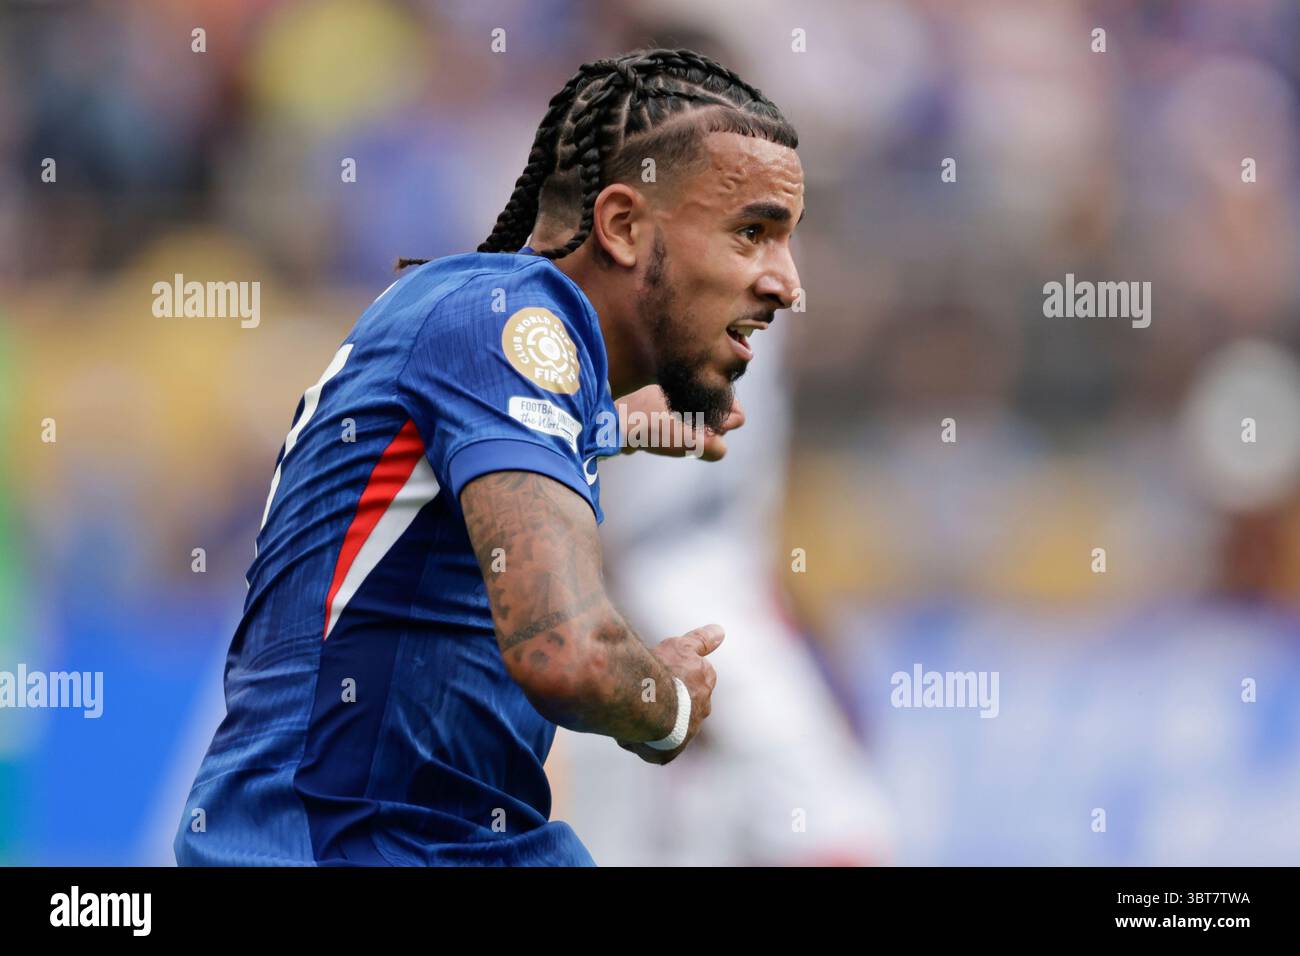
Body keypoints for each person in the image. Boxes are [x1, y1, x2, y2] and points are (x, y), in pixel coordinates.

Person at [174, 47, 804, 865]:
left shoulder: (476, 321)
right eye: (751, 233)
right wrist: (669, 703)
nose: (787, 283)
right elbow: (564, 650)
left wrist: (610, 421)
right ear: (618, 225)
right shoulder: (506, 321)